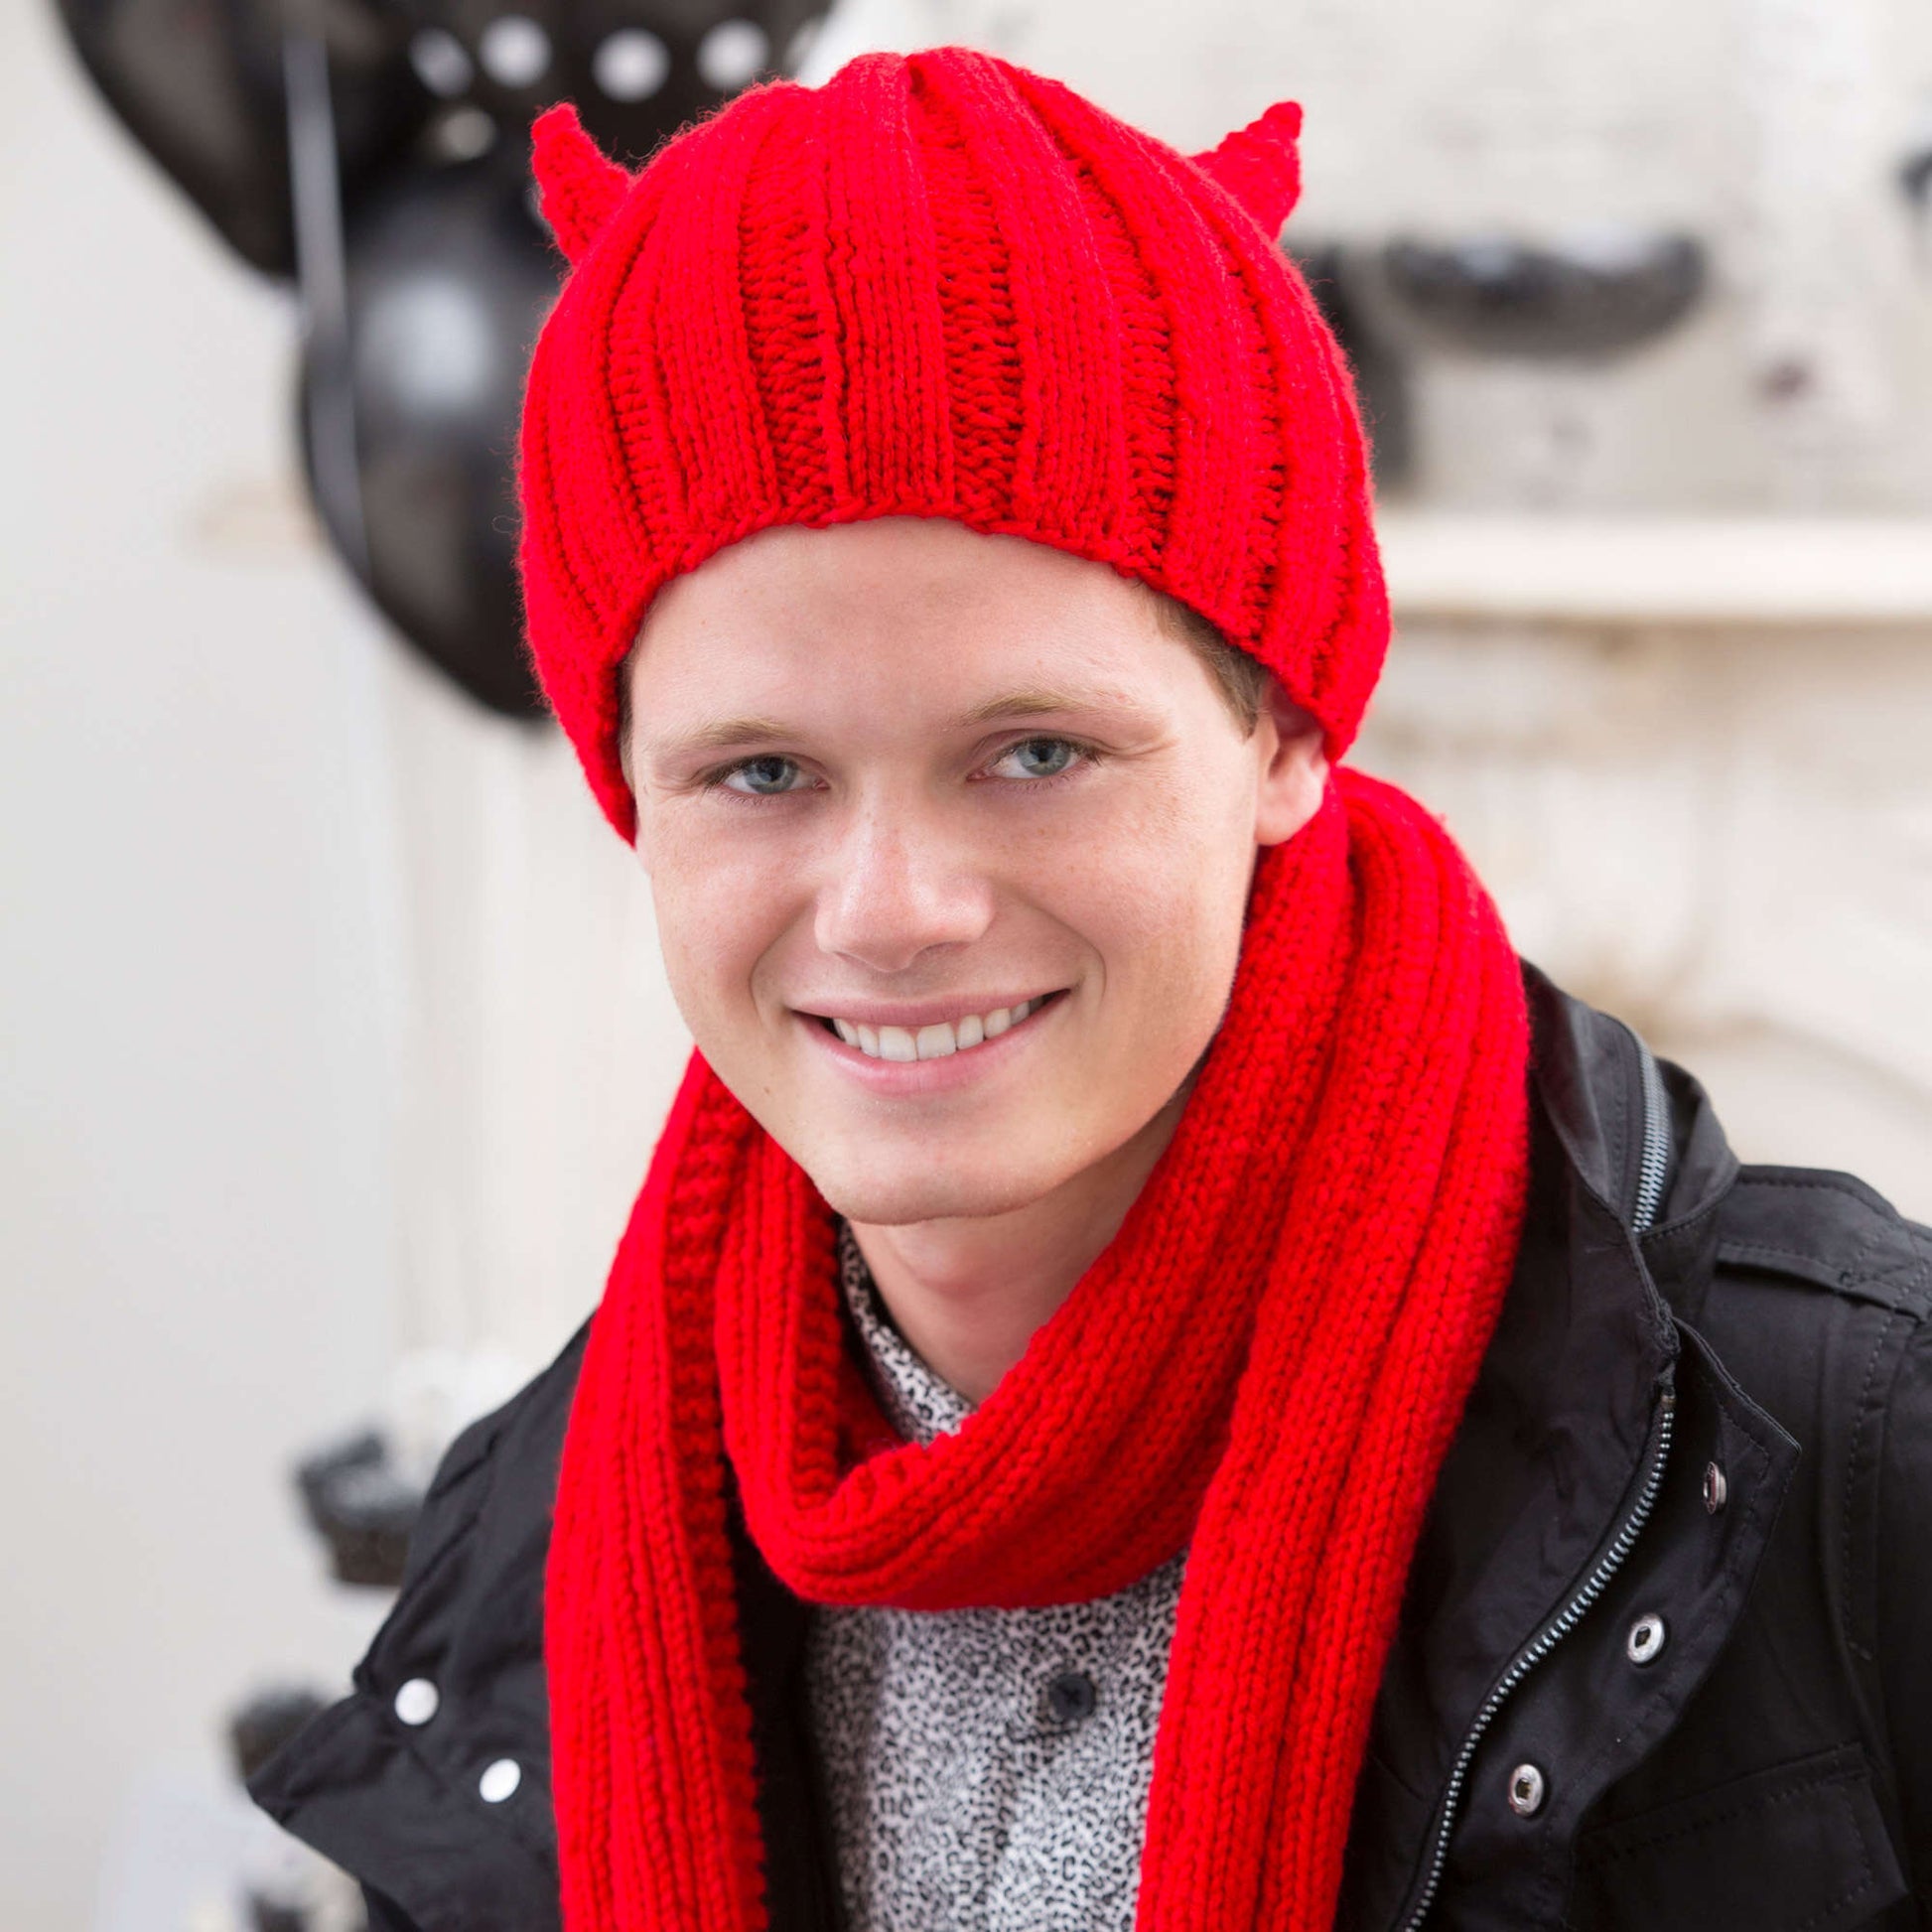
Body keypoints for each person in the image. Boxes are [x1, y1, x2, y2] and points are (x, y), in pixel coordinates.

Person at [248, 46, 1932, 1932]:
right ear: (626, 792)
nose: (891, 910)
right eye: (760, 773)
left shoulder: (1851, 1438)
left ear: (1285, 729)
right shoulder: (525, 1571)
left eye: (1035, 751)